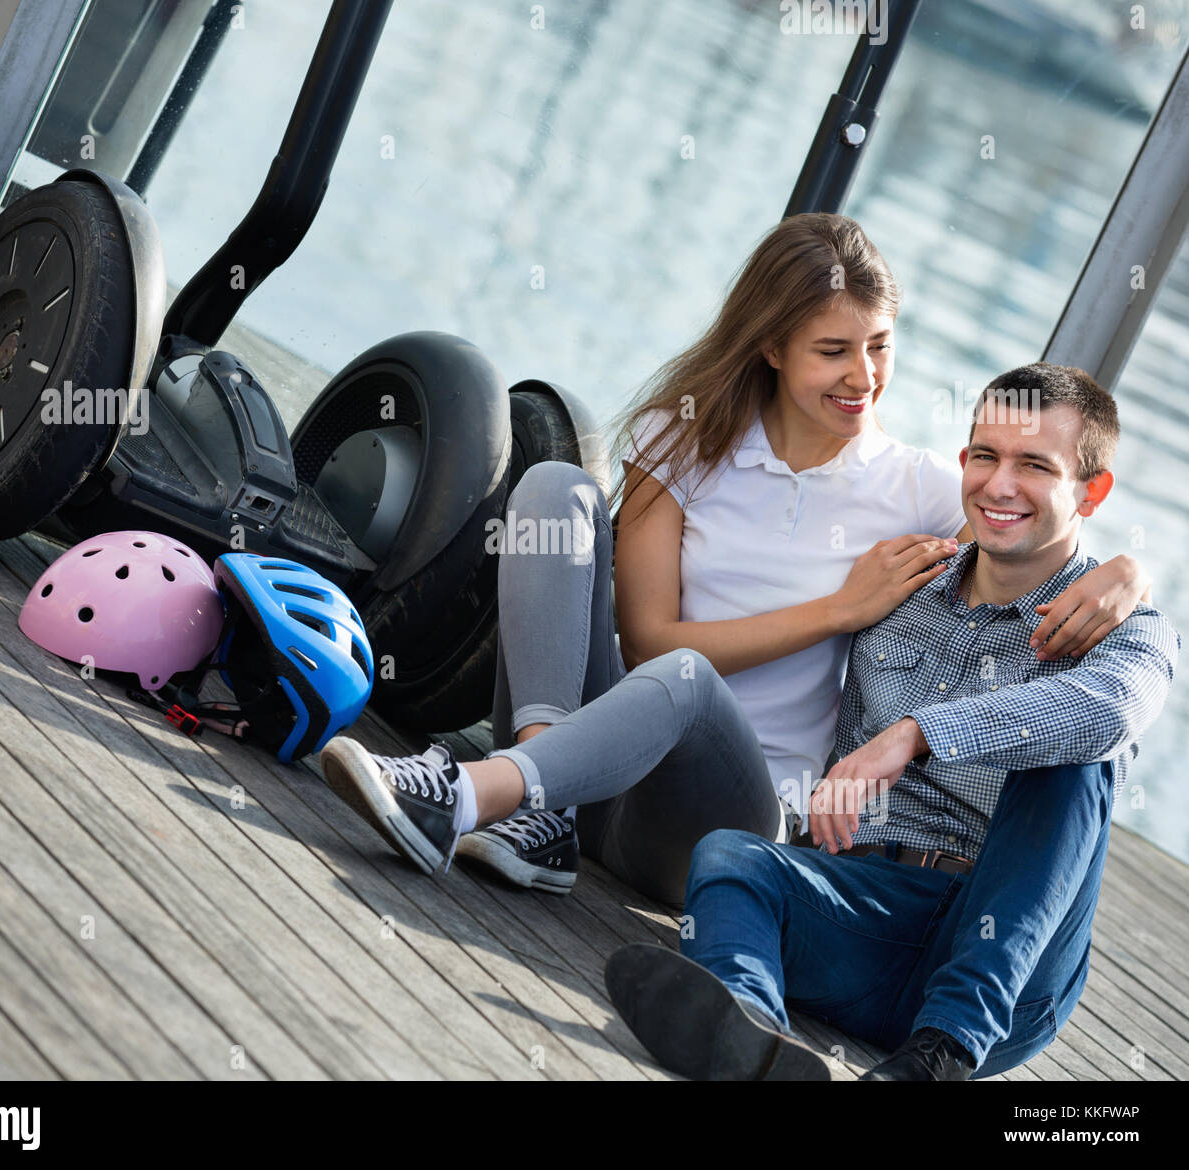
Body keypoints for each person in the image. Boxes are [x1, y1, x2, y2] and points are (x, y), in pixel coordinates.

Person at [319, 214, 1149, 907]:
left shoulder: (925, 491)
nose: (865, 377)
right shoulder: (681, 443)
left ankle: (476, 794)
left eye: (881, 346)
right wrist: (838, 610)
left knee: (687, 680)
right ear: (773, 349)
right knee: (555, 490)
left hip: (717, 822)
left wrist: (1126, 575)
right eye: (834, 350)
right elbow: (644, 639)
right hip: (589, 768)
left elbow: (1032, 530)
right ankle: (537, 814)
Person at [603, 363, 1180, 1081]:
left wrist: (918, 733)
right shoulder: (903, 580)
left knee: (1077, 752)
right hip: (864, 919)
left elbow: (1112, 709)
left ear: (1092, 491)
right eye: (985, 456)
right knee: (730, 858)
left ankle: (942, 1056)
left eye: (1034, 465)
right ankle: (749, 1034)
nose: (1000, 485)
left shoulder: (1133, 630)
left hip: (1005, 970)